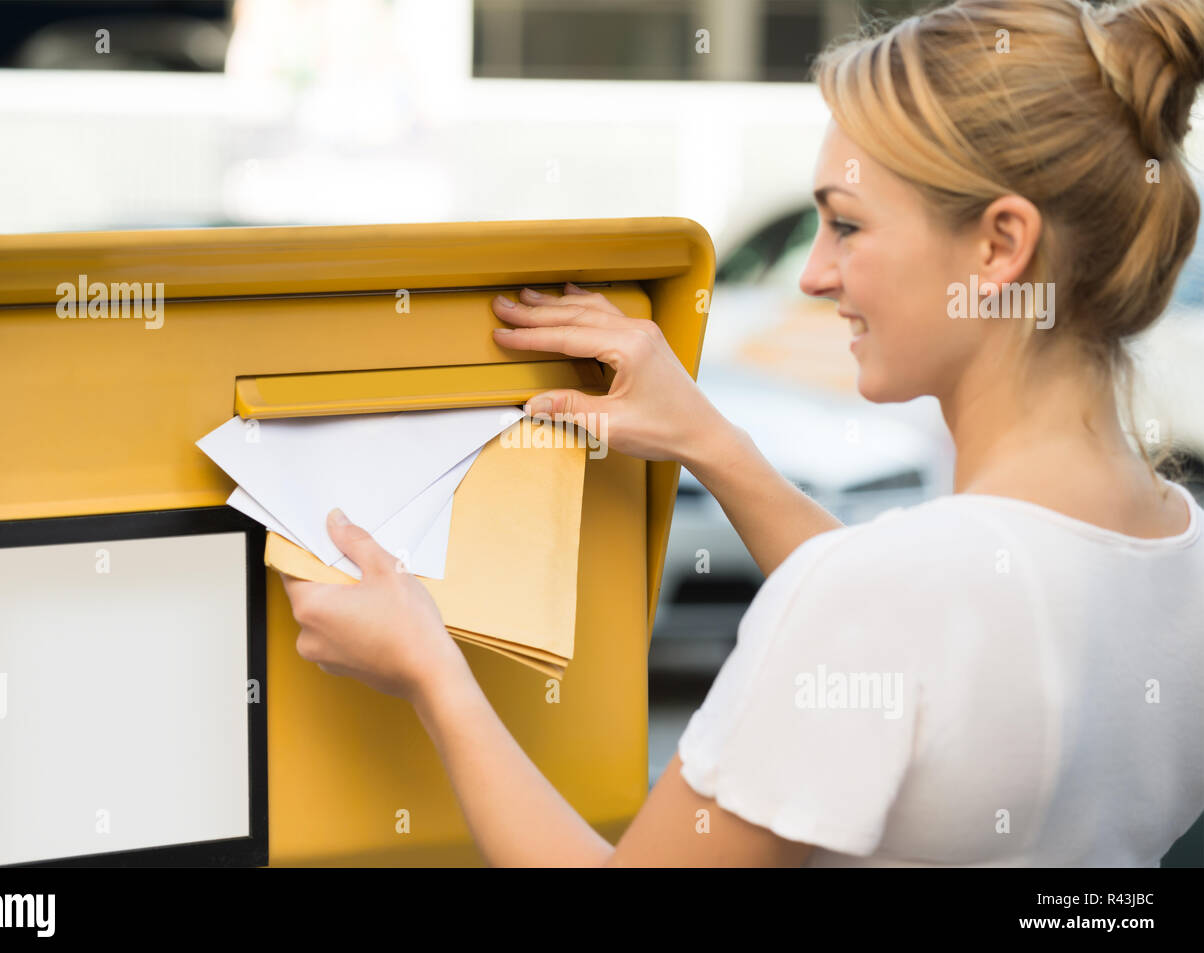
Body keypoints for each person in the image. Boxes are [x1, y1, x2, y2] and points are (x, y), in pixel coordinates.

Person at [279, 0, 1204, 866]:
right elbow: (930, 636)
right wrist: (710, 441)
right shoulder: (1177, 554)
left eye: (846, 226)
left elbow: (890, 618)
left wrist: (430, 671)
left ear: (1000, 246)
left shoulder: (883, 595)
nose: (812, 275)